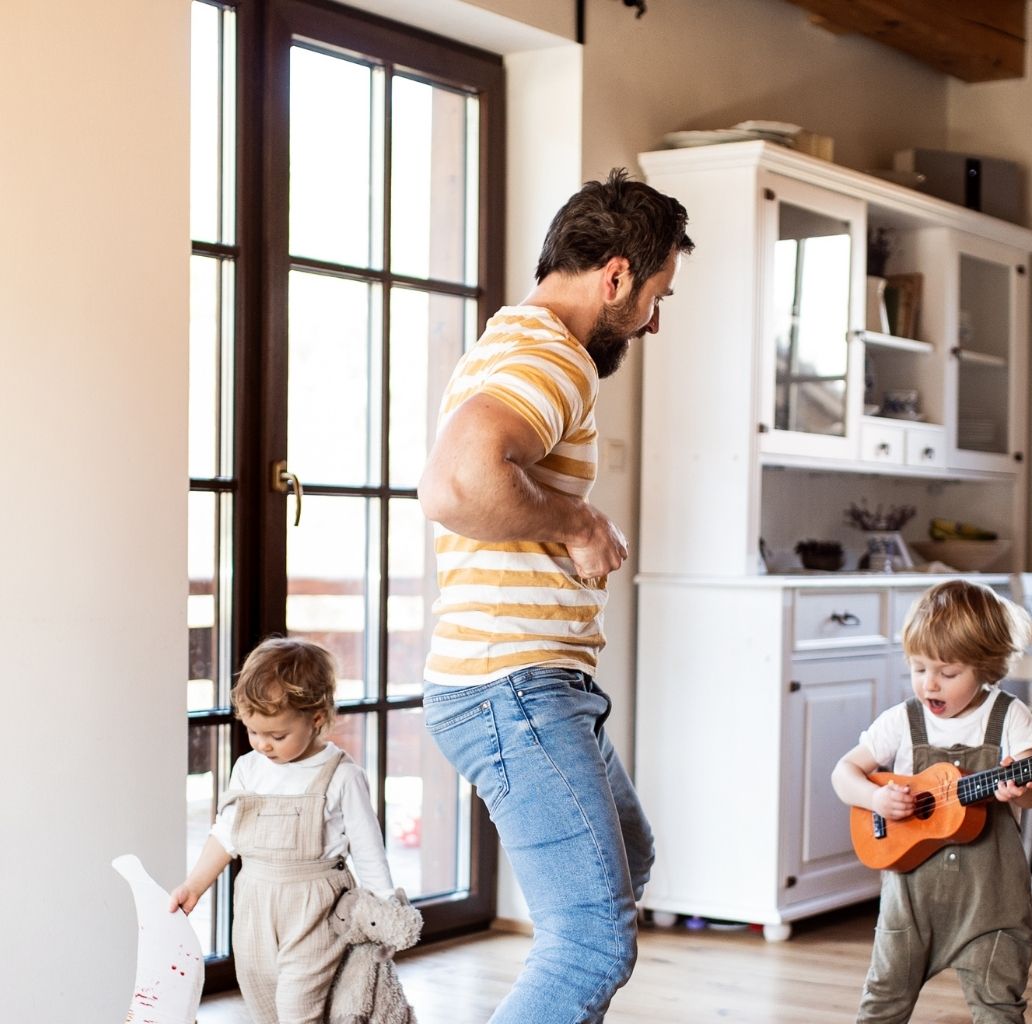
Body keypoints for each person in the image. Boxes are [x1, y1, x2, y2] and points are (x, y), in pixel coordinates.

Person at [415, 168, 692, 1023]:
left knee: (627, 856)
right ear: (615, 276)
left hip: (534, 686)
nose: (653, 319)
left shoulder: (516, 342)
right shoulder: (550, 355)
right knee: (593, 940)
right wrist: (576, 521)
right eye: (654, 296)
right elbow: (457, 482)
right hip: (514, 685)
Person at [830, 578, 1032, 1024]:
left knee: (999, 1006)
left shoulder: (1010, 716)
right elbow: (843, 773)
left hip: (991, 904)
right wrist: (875, 797)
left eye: (948, 673)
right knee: (882, 1004)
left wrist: (1021, 789)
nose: (930, 684)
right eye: (918, 668)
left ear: (986, 666)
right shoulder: (901, 722)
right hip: (910, 904)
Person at [169, 637, 397, 1024]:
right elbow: (227, 834)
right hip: (255, 904)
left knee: (298, 1007)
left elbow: (368, 849)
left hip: (315, 910)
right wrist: (194, 885)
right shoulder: (248, 768)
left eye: (277, 736)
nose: (263, 746)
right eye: (254, 732)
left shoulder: (341, 776)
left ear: (317, 720)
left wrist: (386, 913)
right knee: (264, 1003)